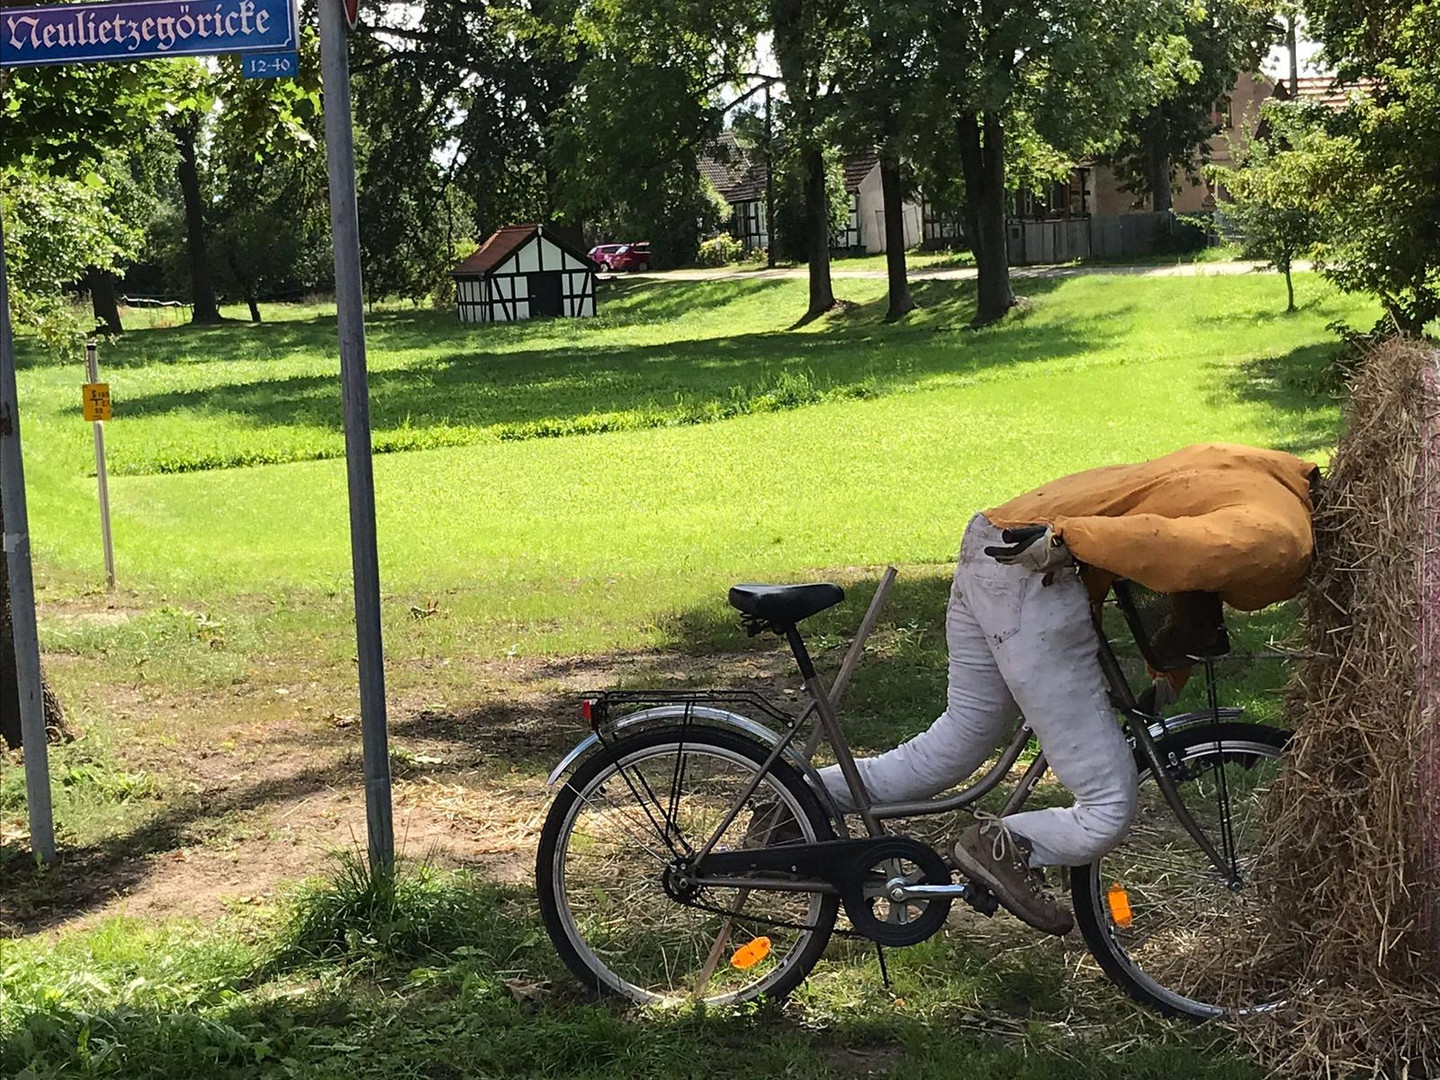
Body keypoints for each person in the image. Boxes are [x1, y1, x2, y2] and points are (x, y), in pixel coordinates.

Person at [816, 442, 1320, 935]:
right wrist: (1070, 537)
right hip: (1038, 567)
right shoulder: (1283, 532)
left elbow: (1184, 558)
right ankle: (1001, 844)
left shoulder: (1252, 467)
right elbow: (1174, 545)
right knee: (1107, 806)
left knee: (958, 742)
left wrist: (1170, 668)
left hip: (994, 541)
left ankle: (802, 798)